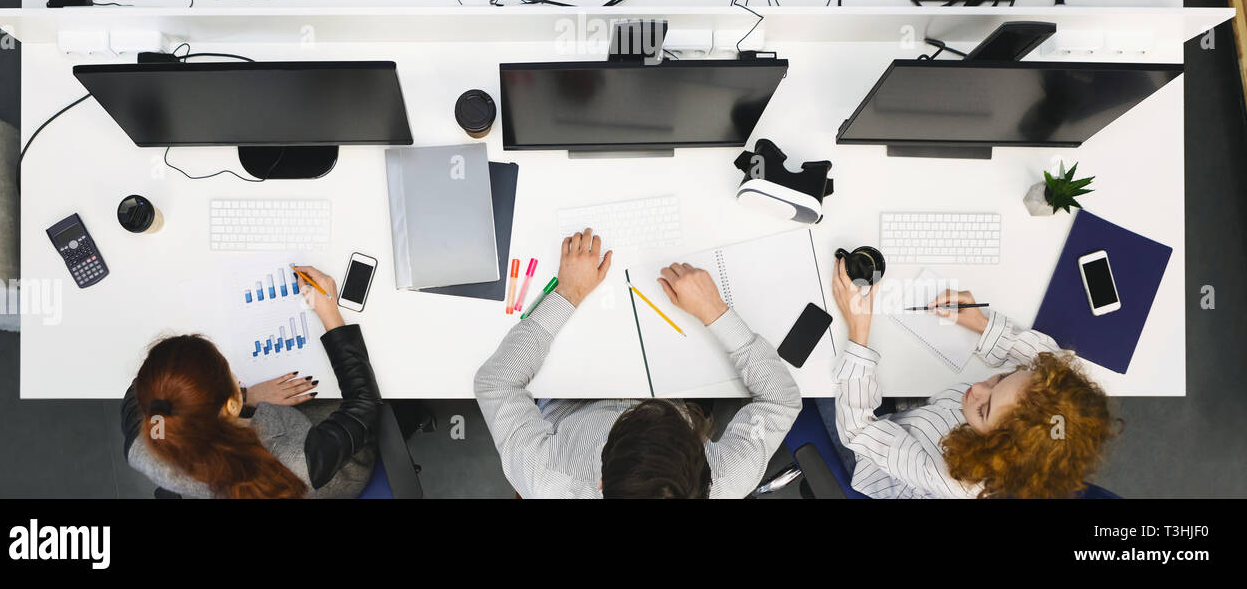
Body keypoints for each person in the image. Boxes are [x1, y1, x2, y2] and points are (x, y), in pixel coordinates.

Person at [474, 228, 801, 498]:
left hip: (568, 393)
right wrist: (714, 310)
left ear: (600, 484)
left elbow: (496, 383)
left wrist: (568, 293)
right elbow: (781, 399)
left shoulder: (547, 480)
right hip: (676, 386)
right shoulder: (725, 481)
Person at [828, 258, 1116, 498]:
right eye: (1001, 378)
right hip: (919, 411)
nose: (978, 387)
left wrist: (858, 330)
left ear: (990, 447)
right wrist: (980, 322)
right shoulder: (1038, 407)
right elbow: (1048, 358)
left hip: (870, 458)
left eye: (984, 409)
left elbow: (858, 430)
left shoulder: (952, 475)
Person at [121, 265, 380, 498]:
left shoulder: (144, 444)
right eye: (227, 369)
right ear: (231, 406)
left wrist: (249, 397)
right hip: (329, 471)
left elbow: (143, 388)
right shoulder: (294, 459)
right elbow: (364, 407)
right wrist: (328, 309)